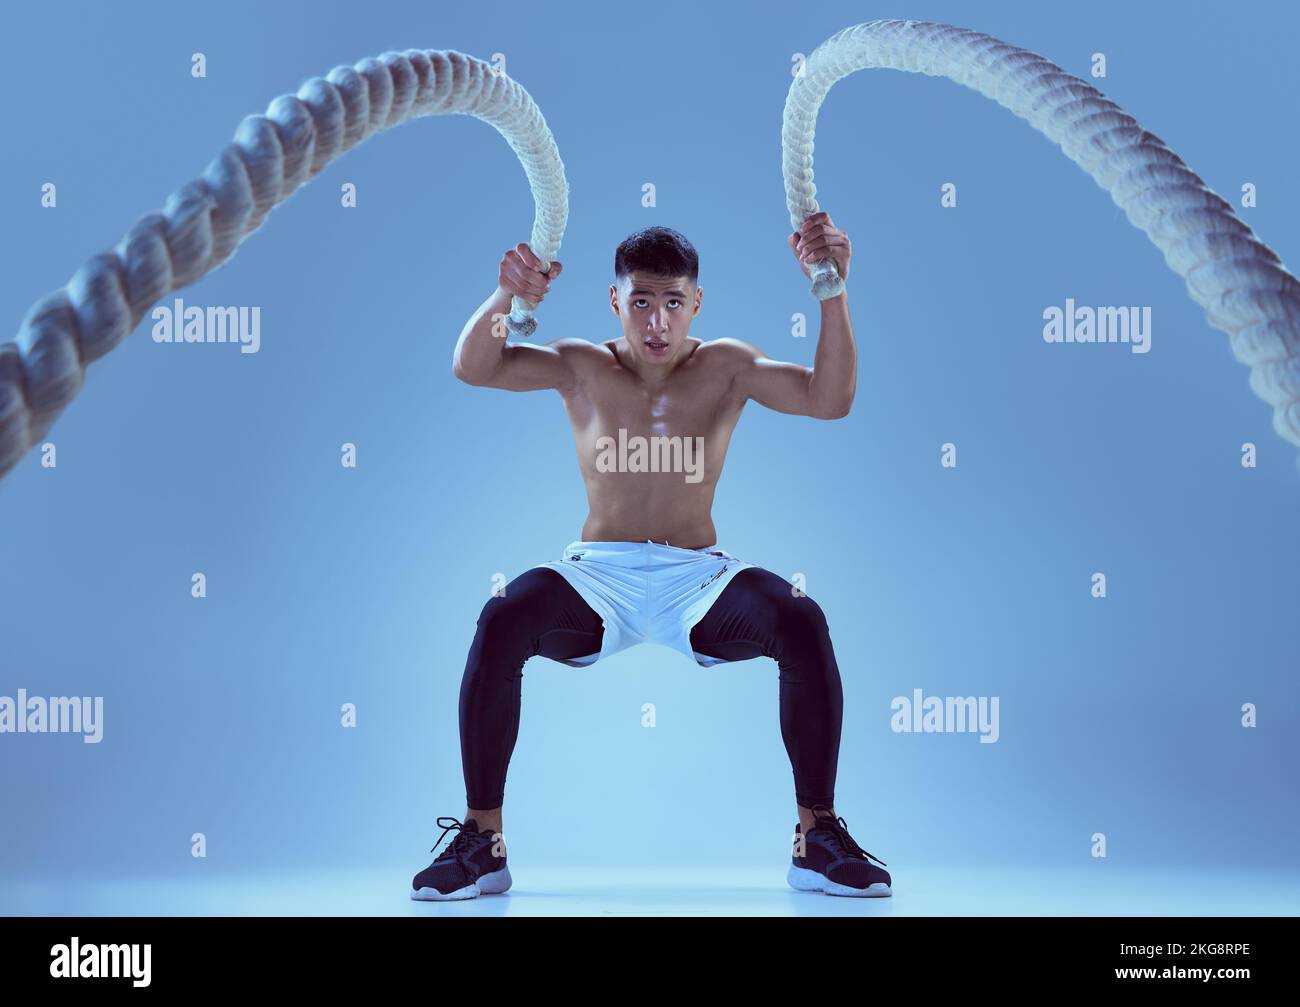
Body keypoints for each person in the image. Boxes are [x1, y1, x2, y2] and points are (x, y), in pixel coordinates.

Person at [412, 217, 891, 900]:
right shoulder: (582, 365)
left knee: (800, 619)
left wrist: (833, 290)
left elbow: (830, 398)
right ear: (616, 303)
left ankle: (816, 837)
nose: (657, 320)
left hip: (695, 577)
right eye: (641, 301)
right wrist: (503, 297)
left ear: (697, 304)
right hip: (596, 575)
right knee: (501, 617)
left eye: (672, 302)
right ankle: (482, 841)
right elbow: (474, 365)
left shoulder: (728, 367)